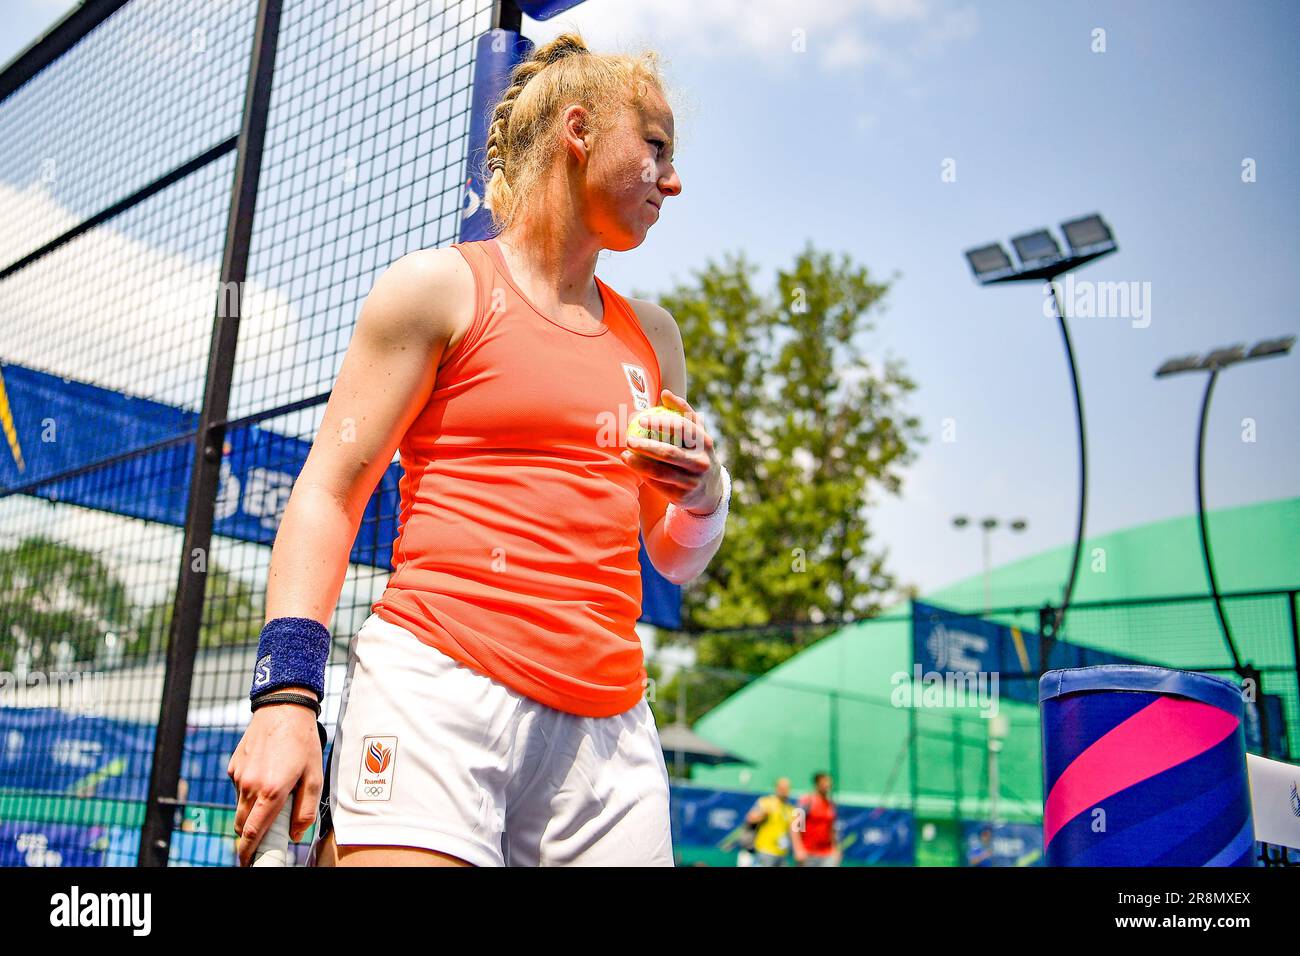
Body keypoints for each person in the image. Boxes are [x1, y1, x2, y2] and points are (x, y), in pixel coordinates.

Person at [227, 32, 731, 867]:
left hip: (610, 738)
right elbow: (328, 492)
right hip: (437, 690)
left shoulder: (656, 339)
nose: (673, 179)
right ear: (579, 130)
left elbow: (672, 559)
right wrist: (285, 697)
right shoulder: (439, 288)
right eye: (656, 149)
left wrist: (705, 493)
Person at [746, 778, 797, 866]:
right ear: (777, 788)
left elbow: (794, 831)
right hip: (765, 850)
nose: (784, 791)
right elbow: (750, 818)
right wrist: (763, 815)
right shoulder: (766, 802)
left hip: (782, 853)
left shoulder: (790, 809)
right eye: (782, 788)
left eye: (786, 788)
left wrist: (797, 849)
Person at [793, 771, 840, 866]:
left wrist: (835, 849)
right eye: (825, 782)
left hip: (827, 853)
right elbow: (794, 826)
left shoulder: (830, 804)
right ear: (817, 783)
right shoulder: (806, 800)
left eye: (829, 782)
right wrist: (798, 849)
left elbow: (831, 829)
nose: (827, 785)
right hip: (808, 853)